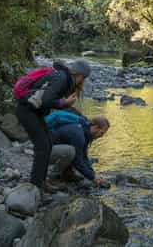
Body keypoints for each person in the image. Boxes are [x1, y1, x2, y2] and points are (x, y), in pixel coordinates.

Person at [14, 59, 92, 191]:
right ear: (80, 76)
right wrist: (63, 103)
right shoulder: (62, 78)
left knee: (48, 142)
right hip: (27, 111)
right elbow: (45, 100)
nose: (82, 82)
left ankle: (40, 181)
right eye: (84, 78)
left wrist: (63, 103)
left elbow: (46, 99)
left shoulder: (64, 78)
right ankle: (36, 185)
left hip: (34, 112)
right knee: (42, 146)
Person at [47, 113, 110, 188]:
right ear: (96, 127)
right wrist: (92, 177)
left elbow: (84, 157)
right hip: (43, 153)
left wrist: (94, 174)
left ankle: (67, 173)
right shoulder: (79, 135)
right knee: (70, 152)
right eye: (102, 133)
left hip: (52, 149)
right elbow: (77, 160)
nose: (102, 136)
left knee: (73, 152)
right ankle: (53, 177)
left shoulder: (85, 131)